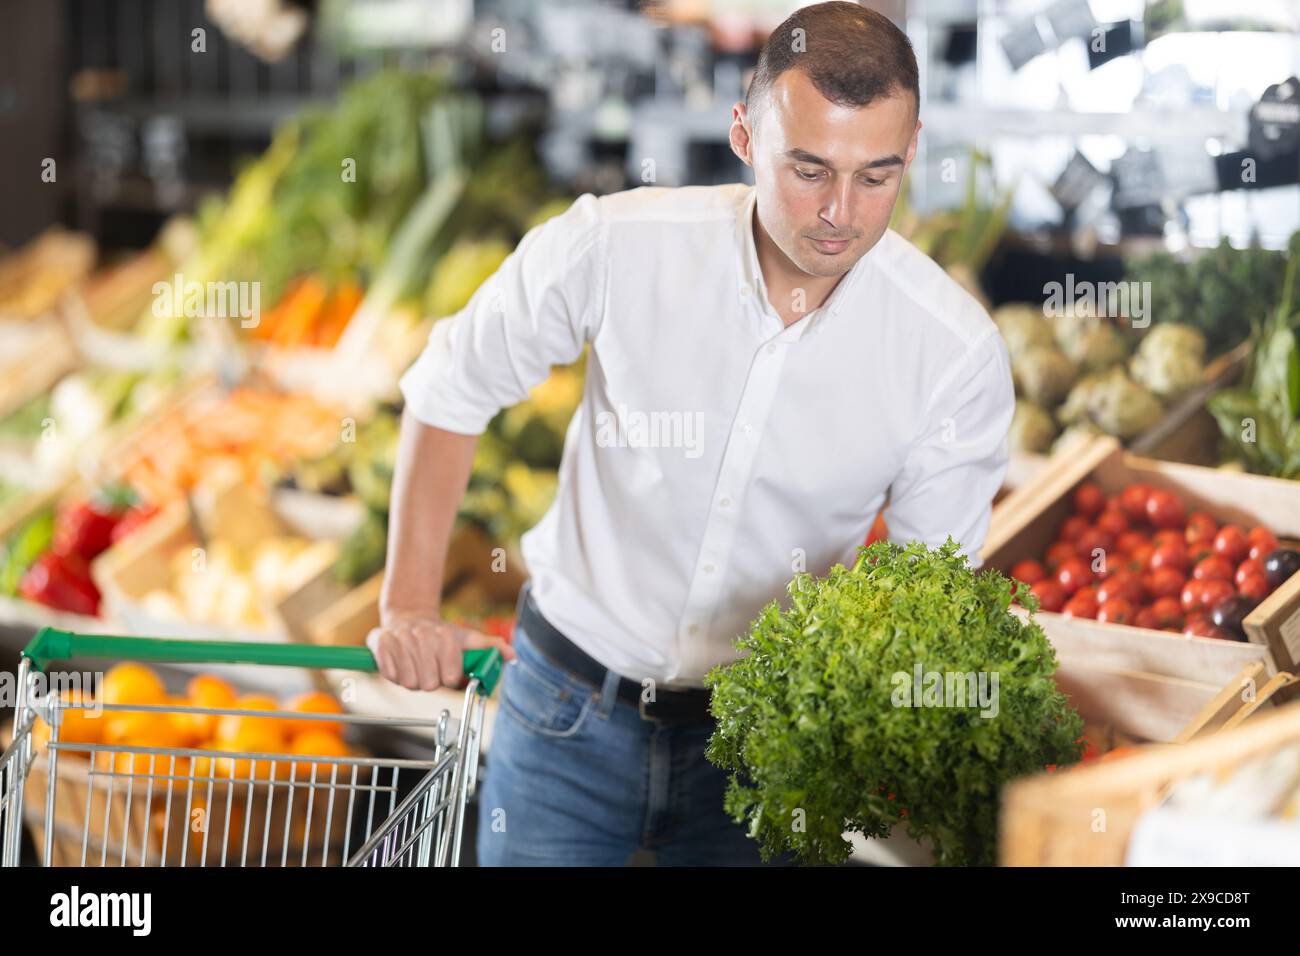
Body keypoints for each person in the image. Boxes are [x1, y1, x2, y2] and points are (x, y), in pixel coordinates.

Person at [369, 1, 1015, 866]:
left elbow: (922, 589)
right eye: (809, 169)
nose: (840, 212)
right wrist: (410, 603)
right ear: (745, 135)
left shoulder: (952, 352)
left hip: (761, 756)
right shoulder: (616, 246)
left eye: (877, 176)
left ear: (914, 146)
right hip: (565, 708)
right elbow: (451, 387)